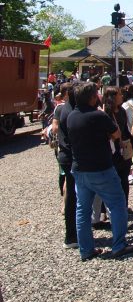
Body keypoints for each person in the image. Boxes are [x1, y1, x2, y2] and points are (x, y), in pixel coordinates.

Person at [67, 82, 133, 260]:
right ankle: (119, 245)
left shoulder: (71, 116)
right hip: (100, 168)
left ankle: (86, 250)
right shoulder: (98, 116)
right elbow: (116, 133)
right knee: (117, 204)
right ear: (93, 98)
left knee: (82, 210)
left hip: (79, 169)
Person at [51, 82, 77, 248]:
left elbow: (53, 129)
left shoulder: (59, 109)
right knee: (78, 195)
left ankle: (71, 234)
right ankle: (76, 234)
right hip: (76, 156)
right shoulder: (76, 112)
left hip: (63, 154)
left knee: (71, 195)